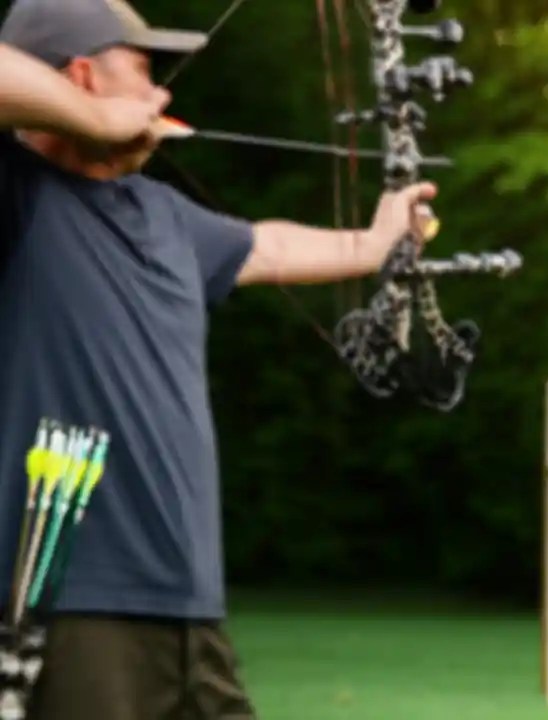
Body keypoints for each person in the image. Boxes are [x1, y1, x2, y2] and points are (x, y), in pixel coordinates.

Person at [0, 0, 440, 717]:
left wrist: (372, 242)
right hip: (72, 604)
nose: (160, 94)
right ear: (80, 77)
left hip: (188, 607)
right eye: (143, 70)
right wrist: (98, 120)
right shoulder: (20, 196)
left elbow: (267, 246)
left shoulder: (162, 213)